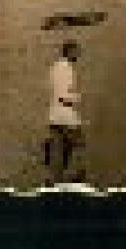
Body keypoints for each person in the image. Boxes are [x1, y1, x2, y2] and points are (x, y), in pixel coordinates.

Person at [44, 43, 85, 180]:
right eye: (76, 52)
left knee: (59, 146)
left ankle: (54, 176)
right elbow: (63, 95)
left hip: (54, 114)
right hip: (66, 114)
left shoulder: (54, 67)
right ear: (70, 52)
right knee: (78, 143)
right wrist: (76, 98)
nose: (78, 55)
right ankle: (74, 175)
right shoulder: (66, 69)